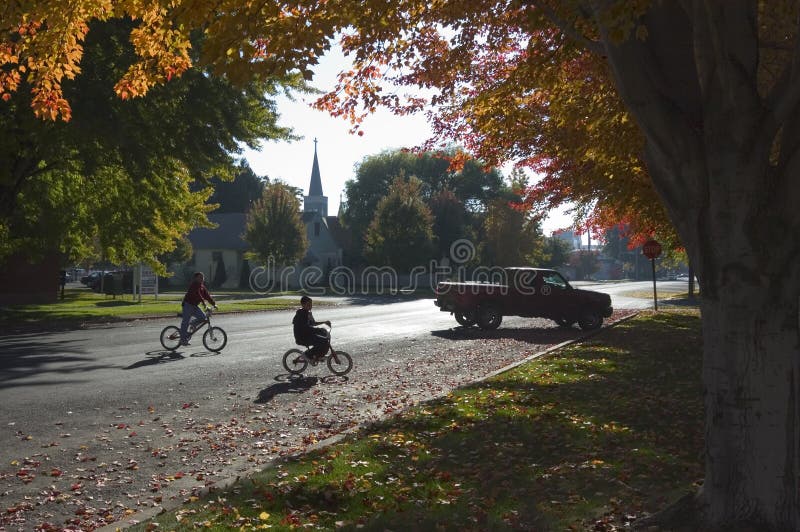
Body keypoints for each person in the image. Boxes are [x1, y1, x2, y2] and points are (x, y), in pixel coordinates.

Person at [180, 272, 216, 346]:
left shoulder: (202, 286)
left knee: (203, 318)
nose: (202, 279)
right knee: (185, 322)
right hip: (188, 305)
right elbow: (197, 294)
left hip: (195, 306)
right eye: (200, 277)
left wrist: (213, 304)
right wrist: (203, 303)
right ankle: (182, 339)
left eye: (203, 277)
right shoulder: (194, 285)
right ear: (196, 278)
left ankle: (192, 324)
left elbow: (207, 295)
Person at [292, 296, 331, 361]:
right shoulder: (301, 314)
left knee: (324, 340)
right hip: (302, 337)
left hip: (307, 335)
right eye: (308, 304)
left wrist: (324, 323)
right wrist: (319, 330)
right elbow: (306, 328)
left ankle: (317, 355)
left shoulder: (308, 313)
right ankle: (307, 354)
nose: (310, 306)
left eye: (311, 304)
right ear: (303, 305)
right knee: (322, 341)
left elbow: (313, 323)